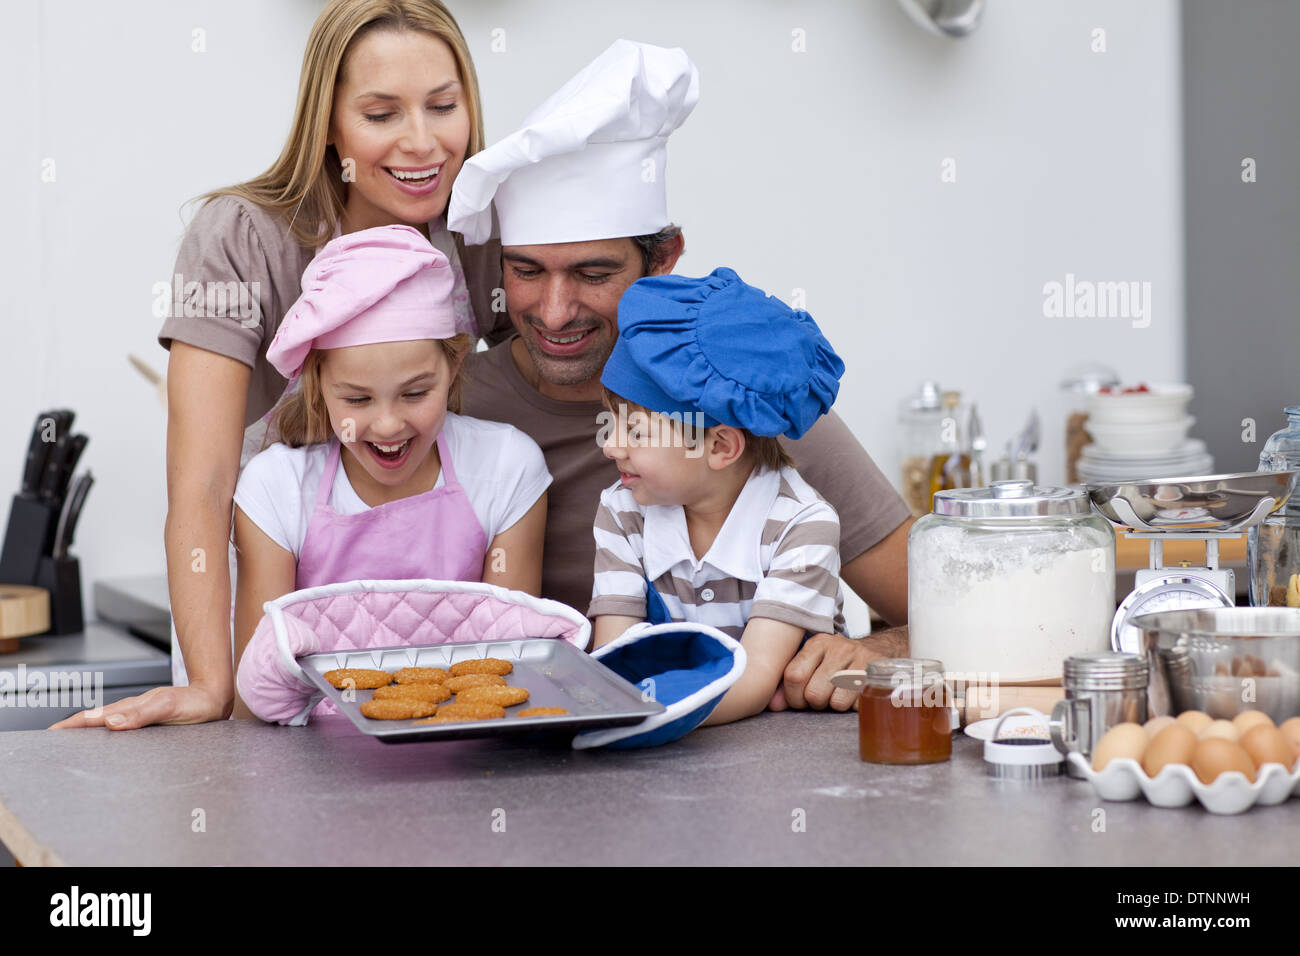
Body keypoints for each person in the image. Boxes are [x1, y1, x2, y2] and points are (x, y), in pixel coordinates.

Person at [54, 0, 506, 730]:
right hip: (265, 597)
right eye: (382, 114)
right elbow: (202, 484)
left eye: (443, 106)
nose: (423, 143)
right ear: (327, 123)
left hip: (425, 591)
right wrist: (211, 683)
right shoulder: (241, 238)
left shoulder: (478, 229)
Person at [448, 40, 915, 714]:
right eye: (526, 271)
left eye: (592, 273)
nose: (553, 312)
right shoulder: (452, 407)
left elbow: (952, 619)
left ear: (664, 258)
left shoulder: (754, 406)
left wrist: (879, 650)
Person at [231, 225, 548, 718]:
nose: (387, 425)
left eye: (416, 393)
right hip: (311, 765)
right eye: (356, 399)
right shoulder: (275, 489)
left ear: (456, 363)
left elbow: (510, 668)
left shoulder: (506, 467)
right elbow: (259, 697)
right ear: (317, 384)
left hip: (471, 753)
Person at [591, 267, 849, 726]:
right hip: (665, 742)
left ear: (719, 446)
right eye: (610, 423)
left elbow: (750, 682)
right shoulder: (624, 509)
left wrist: (632, 721)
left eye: (635, 431)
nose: (611, 446)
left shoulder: (802, 526)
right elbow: (616, 659)